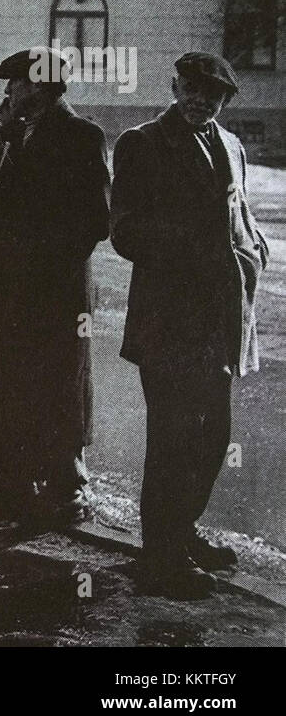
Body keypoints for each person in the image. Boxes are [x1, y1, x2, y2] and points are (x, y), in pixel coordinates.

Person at [111, 52, 269, 600]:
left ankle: (183, 532)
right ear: (173, 85)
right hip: (170, 319)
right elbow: (125, 232)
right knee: (174, 438)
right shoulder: (143, 143)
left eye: (214, 96)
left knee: (212, 437)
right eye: (192, 89)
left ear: (224, 102)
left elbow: (240, 215)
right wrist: (194, 250)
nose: (201, 101)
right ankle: (161, 557)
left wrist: (254, 250)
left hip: (222, 319)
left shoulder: (230, 144)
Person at [0, 48, 110, 528]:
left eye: (15, 83)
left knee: (58, 384)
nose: (7, 92)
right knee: (4, 377)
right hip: (5, 283)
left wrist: (41, 258)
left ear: (39, 86)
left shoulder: (83, 138)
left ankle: (66, 490)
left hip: (55, 291)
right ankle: (8, 482)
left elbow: (96, 222)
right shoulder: (7, 135)